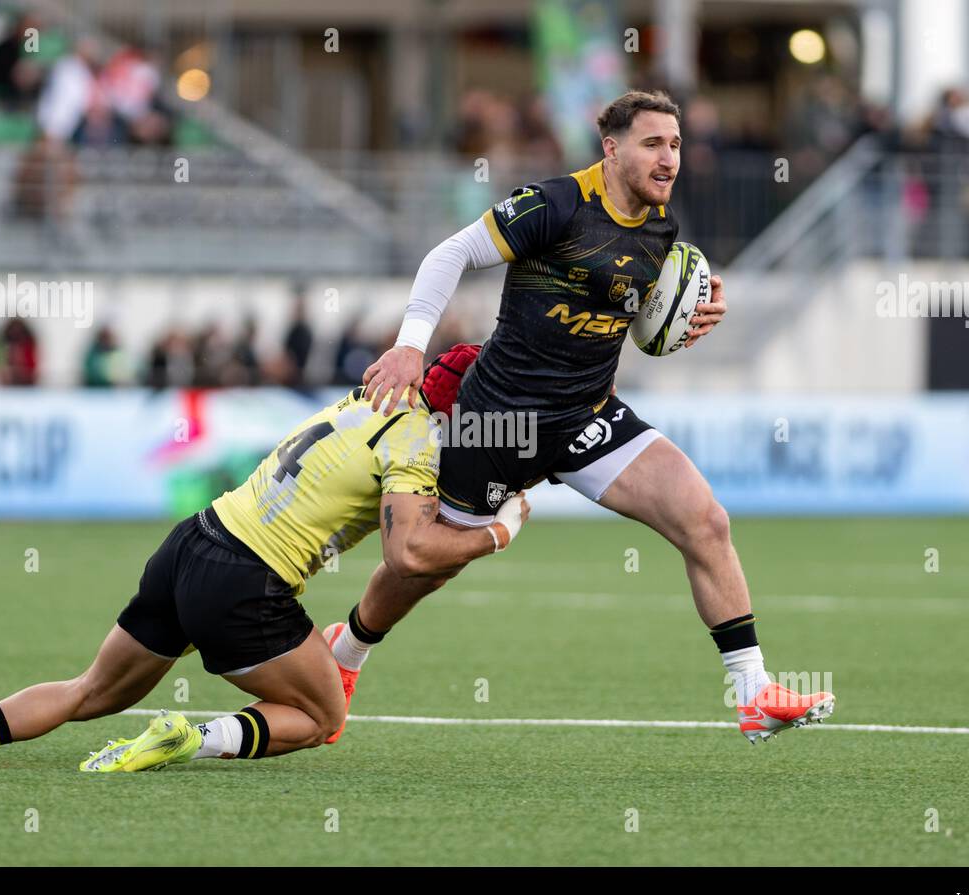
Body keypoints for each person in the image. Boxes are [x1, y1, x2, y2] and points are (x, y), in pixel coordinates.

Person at [352, 90, 834, 744]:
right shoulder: (555, 205)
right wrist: (410, 346)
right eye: (653, 144)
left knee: (706, 520)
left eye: (676, 145)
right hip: (500, 423)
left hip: (587, 418)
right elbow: (449, 255)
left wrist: (687, 319)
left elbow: (637, 316)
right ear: (612, 149)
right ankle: (347, 653)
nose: (670, 159)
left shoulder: (662, 228)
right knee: (424, 566)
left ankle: (753, 695)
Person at [0, 346, 531, 771]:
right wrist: (497, 532)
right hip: (243, 582)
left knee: (89, 691)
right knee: (322, 720)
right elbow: (410, 553)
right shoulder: (414, 440)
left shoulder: (368, 398)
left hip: (192, 541)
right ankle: (189, 738)